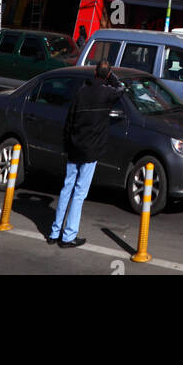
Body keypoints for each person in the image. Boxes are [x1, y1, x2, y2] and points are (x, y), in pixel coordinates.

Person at [49, 61, 125, 248]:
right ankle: (68, 236)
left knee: (66, 188)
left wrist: (67, 144)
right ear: (107, 75)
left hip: (75, 147)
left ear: (94, 72)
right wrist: (113, 77)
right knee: (79, 193)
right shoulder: (106, 94)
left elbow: (69, 121)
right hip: (91, 150)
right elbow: (122, 89)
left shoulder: (81, 93)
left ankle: (54, 232)